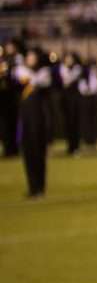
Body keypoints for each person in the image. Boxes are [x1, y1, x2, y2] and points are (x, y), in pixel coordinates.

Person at [15, 47, 55, 197]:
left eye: (32, 56)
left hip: (39, 120)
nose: (29, 59)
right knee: (28, 153)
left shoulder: (43, 73)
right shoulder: (21, 72)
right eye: (28, 56)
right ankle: (32, 186)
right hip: (25, 119)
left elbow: (41, 81)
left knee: (39, 153)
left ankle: (40, 186)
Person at [57, 51, 85, 155]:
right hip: (65, 100)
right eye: (67, 58)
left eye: (70, 58)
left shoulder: (77, 69)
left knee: (75, 123)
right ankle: (70, 146)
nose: (68, 60)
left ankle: (75, 146)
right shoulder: (61, 69)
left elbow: (68, 81)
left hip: (75, 100)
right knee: (67, 123)